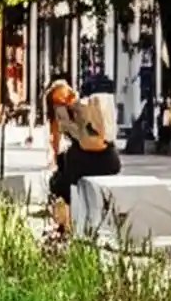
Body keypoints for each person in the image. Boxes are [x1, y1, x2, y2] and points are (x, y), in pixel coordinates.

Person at [44, 80, 122, 230]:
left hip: (92, 159)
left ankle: (70, 222)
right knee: (62, 174)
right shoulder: (72, 112)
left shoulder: (87, 107)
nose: (65, 102)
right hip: (105, 159)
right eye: (59, 101)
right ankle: (70, 221)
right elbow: (55, 142)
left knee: (63, 181)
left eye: (67, 96)